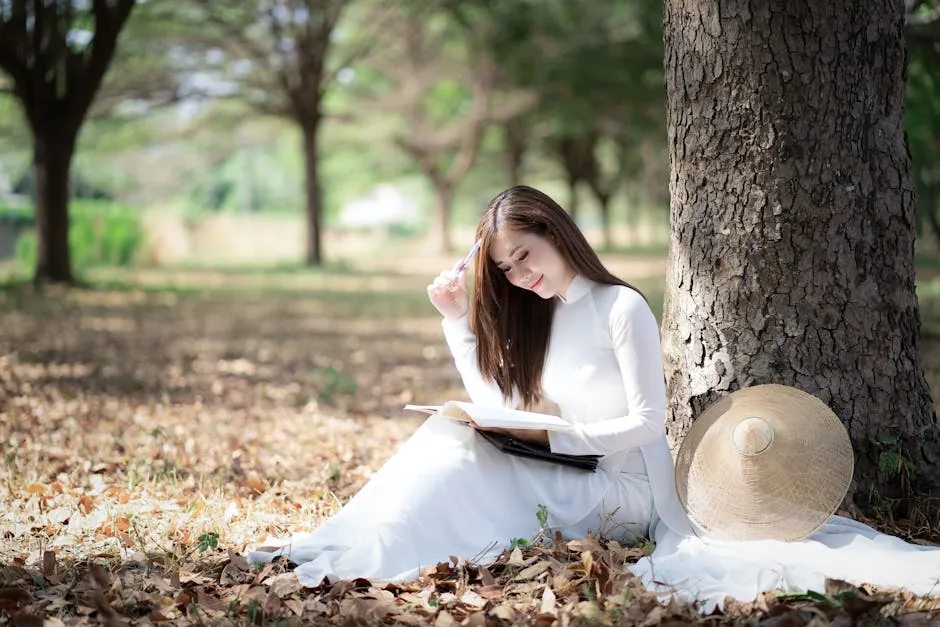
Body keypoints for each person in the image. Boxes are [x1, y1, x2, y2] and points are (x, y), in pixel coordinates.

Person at [249, 185, 940, 612]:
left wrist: (561, 440)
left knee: (463, 458)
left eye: (526, 256)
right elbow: (494, 401)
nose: (521, 276)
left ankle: (359, 553)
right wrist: (455, 322)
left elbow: (646, 423)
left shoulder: (619, 307)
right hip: (574, 468)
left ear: (555, 232)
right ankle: (335, 545)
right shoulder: (544, 312)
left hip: (627, 487)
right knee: (451, 438)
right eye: (507, 269)